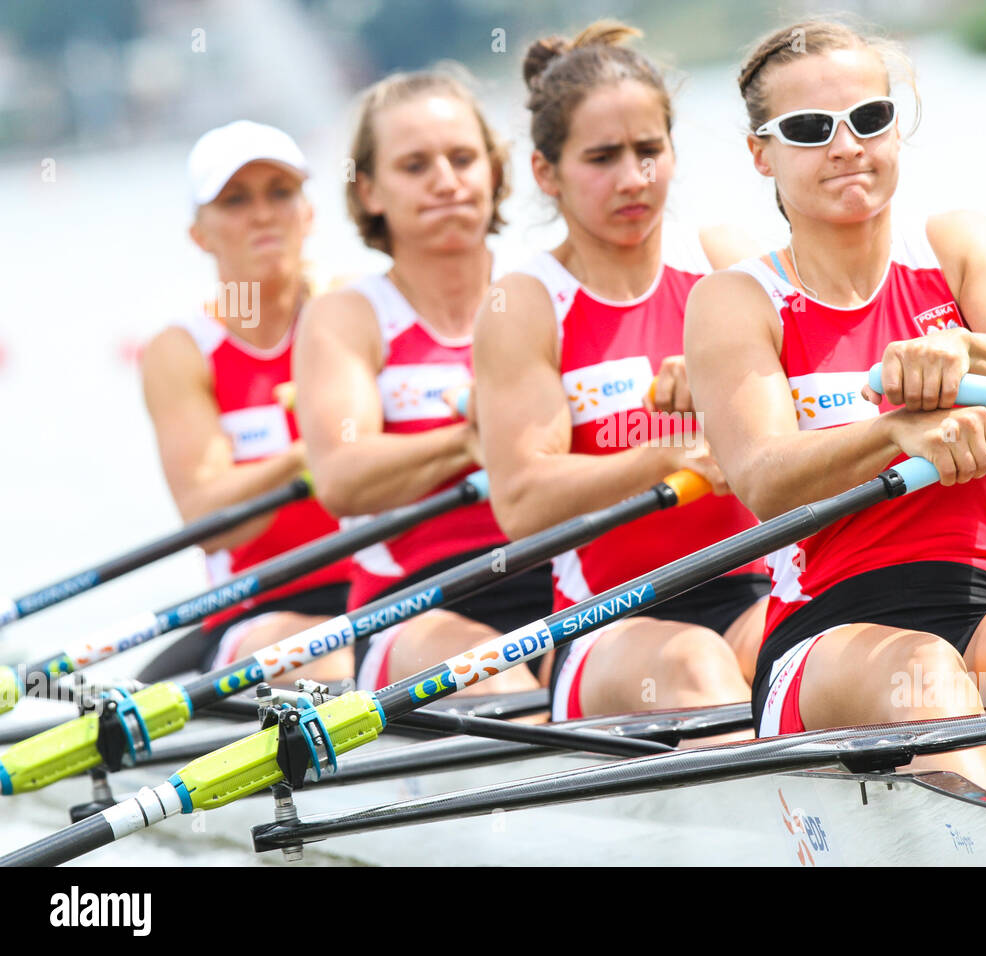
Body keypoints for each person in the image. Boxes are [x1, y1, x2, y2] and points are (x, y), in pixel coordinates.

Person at [683, 20, 986, 803]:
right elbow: (763, 482)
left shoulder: (953, 246)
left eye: (870, 118)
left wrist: (968, 354)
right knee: (925, 674)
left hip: (984, 603)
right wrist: (894, 431)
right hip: (826, 638)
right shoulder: (736, 301)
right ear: (762, 154)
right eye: (811, 129)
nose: (848, 145)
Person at [474, 22, 765, 724]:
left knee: (821, 640)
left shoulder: (721, 260)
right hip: (606, 621)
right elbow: (521, 498)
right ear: (547, 173)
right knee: (696, 662)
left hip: (753, 587)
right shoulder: (524, 302)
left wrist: (725, 382)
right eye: (602, 157)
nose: (634, 179)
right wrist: (662, 456)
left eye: (649, 150)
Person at [293, 71, 547, 695]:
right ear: (371, 191)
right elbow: (342, 479)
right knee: (502, 684)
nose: (446, 180)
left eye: (463, 158)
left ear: (493, 172)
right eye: (415, 165)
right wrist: (467, 440)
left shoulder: (544, 291)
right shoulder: (348, 316)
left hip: (563, 574)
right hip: (411, 604)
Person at [139, 121, 352, 683]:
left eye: (280, 193)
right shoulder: (182, 351)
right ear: (199, 235)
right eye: (235, 200)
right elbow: (208, 520)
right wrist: (307, 454)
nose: (262, 214)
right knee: (333, 660)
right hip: (255, 609)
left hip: (382, 586)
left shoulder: (357, 314)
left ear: (308, 214)